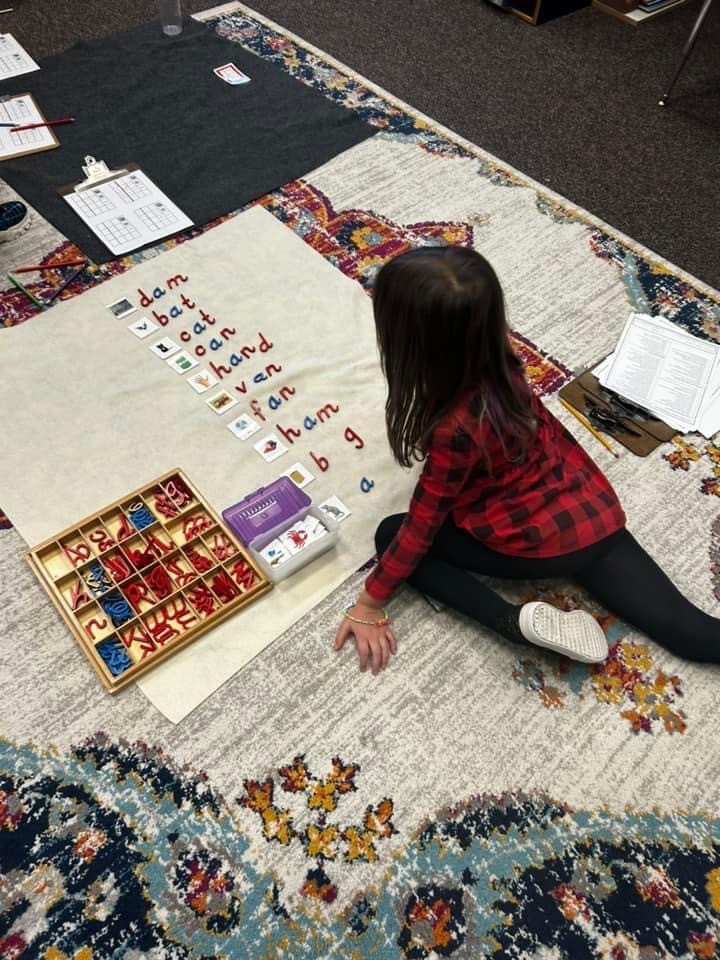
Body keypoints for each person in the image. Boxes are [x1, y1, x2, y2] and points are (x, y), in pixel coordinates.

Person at [334, 245, 720, 675]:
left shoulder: (454, 429)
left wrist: (369, 604)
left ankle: (514, 625)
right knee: (692, 632)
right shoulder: (504, 360)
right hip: (591, 513)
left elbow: (422, 524)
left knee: (391, 533)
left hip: (531, 540)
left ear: (408, 339)